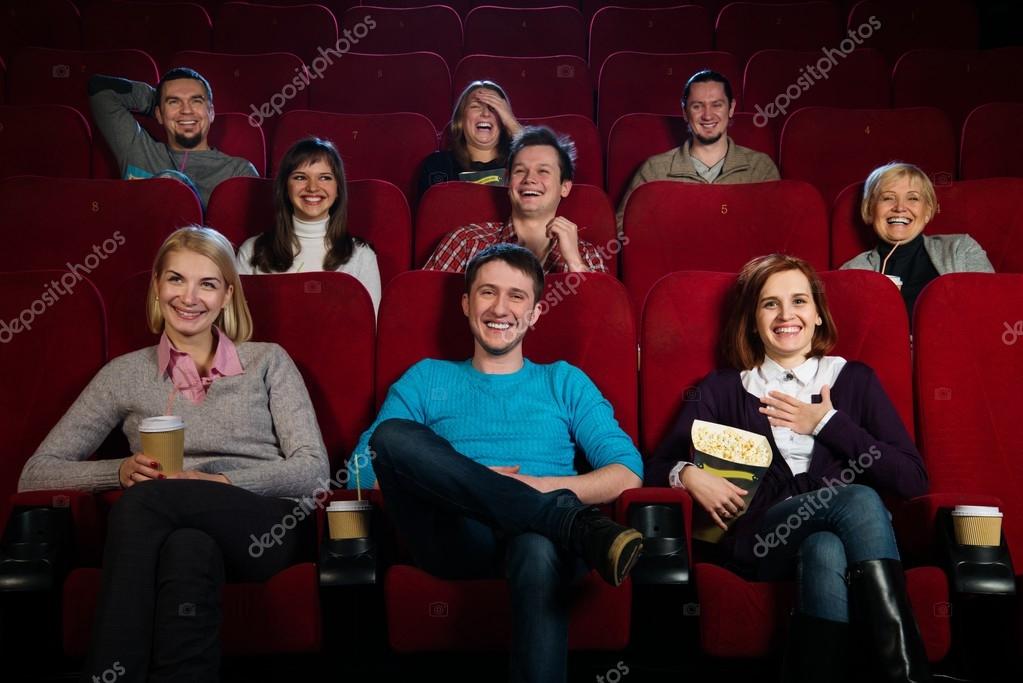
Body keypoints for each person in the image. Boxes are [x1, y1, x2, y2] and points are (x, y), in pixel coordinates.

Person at [19, 226, 330, 682]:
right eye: (176, 279)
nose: (190, 296)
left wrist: (218, 483)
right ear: (158, 287)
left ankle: (108, 674)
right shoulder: (123, 375)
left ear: (227, 295)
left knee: (146, 501)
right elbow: (35, 474)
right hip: (169, 529)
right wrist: (119, 471)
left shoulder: (268, 361)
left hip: (262, 525)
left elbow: (313, 470)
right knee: (188, 550)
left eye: (207, 283)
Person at [349, 243, 643, 683]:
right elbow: (360, 469)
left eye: (516, 296)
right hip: (454, 537)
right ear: (467, 303)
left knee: (536, 543)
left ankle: (550, 521)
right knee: (392, 437)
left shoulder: (563, 380)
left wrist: (533, 490)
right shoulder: (428, 378)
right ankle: (568, 522)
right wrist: (470, 481)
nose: (499, 308)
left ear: (536, 312)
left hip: (542, 542)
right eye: (487, 293)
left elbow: (627, 471)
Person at [646, 254, 931, 683]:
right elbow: (652, 468)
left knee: (824, 548)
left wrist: (829, 424)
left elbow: (912, 479)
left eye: (799, 301)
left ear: (817, 314)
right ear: (752, 319)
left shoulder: (854, 380)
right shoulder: (723, 389)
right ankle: (908, 675)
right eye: (769, 304)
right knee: (859, 498)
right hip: (762, 538)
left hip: (843, 541)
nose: (786, 315)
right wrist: (687, 474)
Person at [424, 126, 607, 274]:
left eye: (543, 171)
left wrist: (574, 264)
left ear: (565, 187)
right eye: (520, 171)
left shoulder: (585, 255)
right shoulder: (466, 242)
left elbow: (605, 319)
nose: (529, 179)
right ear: (508, 181)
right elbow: (419, 310)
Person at [615, 69, 780, 231]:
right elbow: (624, 231)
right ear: (684, 112)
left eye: (717, 105)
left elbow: (777, 228)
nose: (707, 115)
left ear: (731, 108)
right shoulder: (654, 170)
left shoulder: (760, 168)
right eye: (697, 106)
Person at [236, 137, 381, 313]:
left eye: (325, 178)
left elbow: (367, 330)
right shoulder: (252, 250)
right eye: (300, 177)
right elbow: (238, 326)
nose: (313, 187)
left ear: (338, 190)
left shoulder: (362, 257)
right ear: (285, 187)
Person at [89, 67, 258, 208]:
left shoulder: (237, 171)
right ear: (159, 114)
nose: (186, 110)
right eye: (174, 102)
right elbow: (99, 88)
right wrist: (158, 99)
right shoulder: (136, 149)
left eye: (196, 101)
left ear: (211, 113)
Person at [841, 162, 994, 315]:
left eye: (913, 198)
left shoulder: (961, 249)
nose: (900, 207)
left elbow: (989, 312)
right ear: (869, 210)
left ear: (928, 211)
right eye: (888, 198)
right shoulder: (852, 272)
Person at [419, 80, 523, 195]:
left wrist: (513, 124)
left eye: (493, 108)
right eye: (475, 106)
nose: (485, 113)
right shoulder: (438, 165)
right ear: (461, 120)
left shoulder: (521, 163)